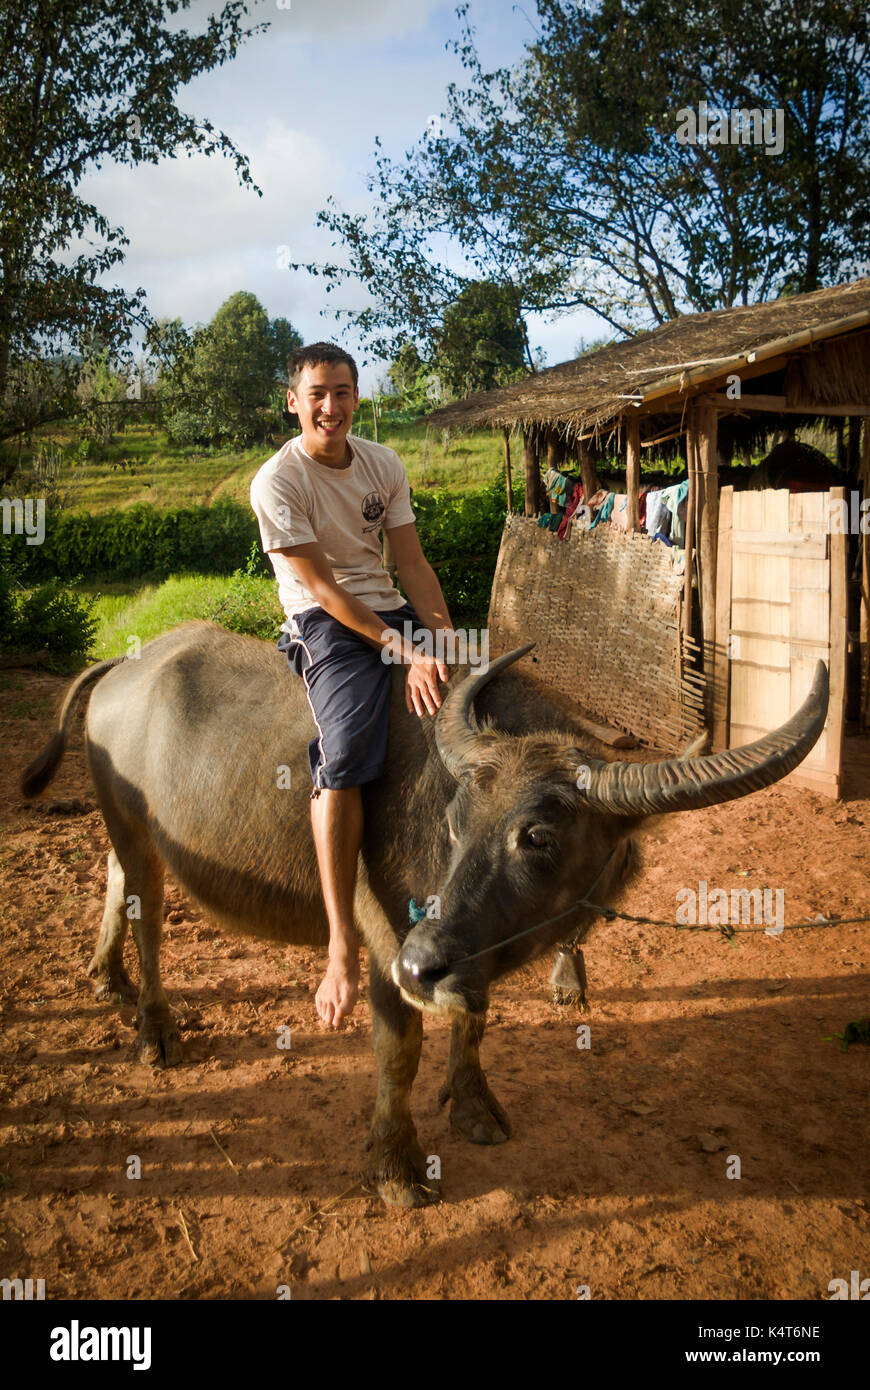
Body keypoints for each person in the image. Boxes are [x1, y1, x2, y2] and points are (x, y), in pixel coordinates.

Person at [250, 342, 455, 1029]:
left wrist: (443, 640)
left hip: (391, 608)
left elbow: (414, 565)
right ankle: (340, 945)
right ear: (293, 401)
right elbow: (323, 590)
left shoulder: (382, 464)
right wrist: (404, 653)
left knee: (472, 708)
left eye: (341, 392)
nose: (329, 407)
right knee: (343, 760)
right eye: (317, 394)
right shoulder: (277, 482)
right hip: (325, 623)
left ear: (357, 397)